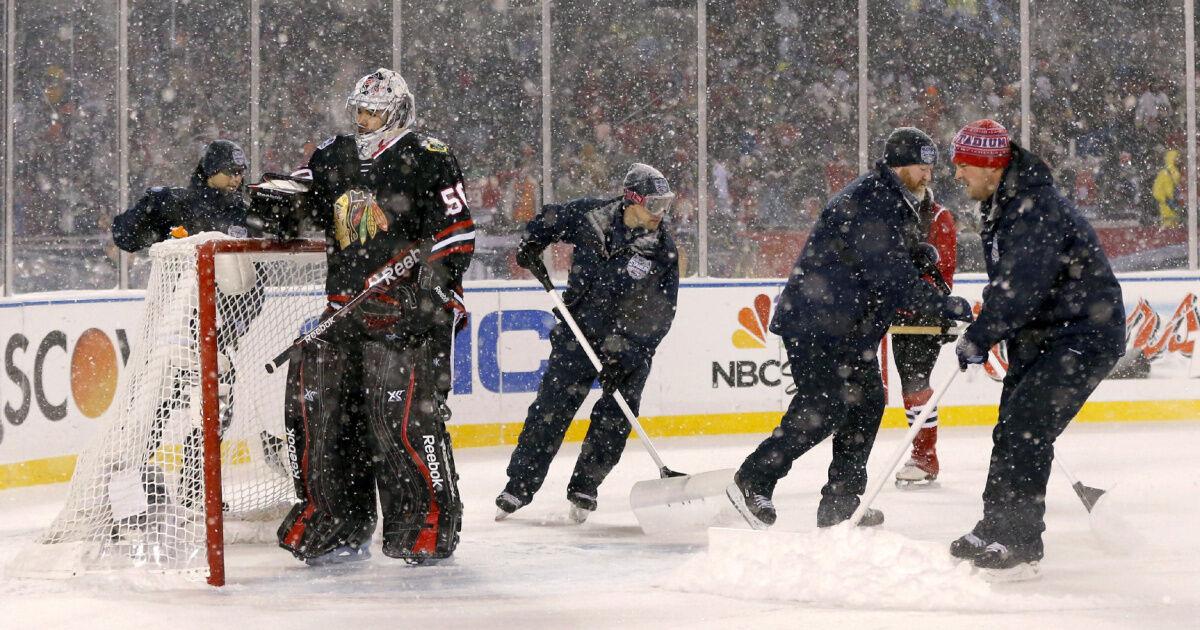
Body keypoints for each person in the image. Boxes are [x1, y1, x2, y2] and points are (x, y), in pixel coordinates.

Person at [255, 68, 474, 565]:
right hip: (347, 310)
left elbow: (457, 232)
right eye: (359, 109)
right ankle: (335, 518)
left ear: (397, 112)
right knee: (327, 418)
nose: (363, 119)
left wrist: (431, 293)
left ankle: (427, 521)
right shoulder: (334, 154)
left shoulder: (429, 157)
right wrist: (275, 201)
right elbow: (303, 198)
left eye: (372, 111)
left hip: (411, 314)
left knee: (402, 423)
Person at [726, 127, 975, 530]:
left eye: (931, 167)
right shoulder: (873, 200)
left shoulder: (895, 199)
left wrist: (919, 256)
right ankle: (752, 479)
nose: (929, 175)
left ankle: (841, 501)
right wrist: (940, 304)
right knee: (822, 409)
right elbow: (887, 276)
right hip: (819, 321)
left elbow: (885, 260)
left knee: (866, 402)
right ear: (899, 165)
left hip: (849, 325)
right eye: (922, 167)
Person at [948, 119, 1124, 577]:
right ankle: (996, 526)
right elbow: (1015, 290)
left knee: (1027, 428)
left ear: (991, 166)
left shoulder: (1034, 208)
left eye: (964, 165)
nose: (957, 175)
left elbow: (1021, 286)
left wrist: (982, 335)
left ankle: (1022, 545)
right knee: (1011, 429)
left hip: (1082, 334)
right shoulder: (1004, 203)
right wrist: (993, 329)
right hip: (1041, 334)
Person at [494, 163, 679, 524]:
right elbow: (550, 219)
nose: (662, 214)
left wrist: (625, 353)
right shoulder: (590, 216)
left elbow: (660, 314)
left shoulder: (660, 250)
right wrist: (533, 241)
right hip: (579, 332)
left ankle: (585, 486)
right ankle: (519, 486)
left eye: (666, 205)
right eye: (655, 204)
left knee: (614, 419)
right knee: (550, 410)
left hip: (629, 347)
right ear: (633, 200)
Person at [111, 139, 266, 510]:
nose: (238, 178)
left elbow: (254, 283)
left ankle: (198, 486)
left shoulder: (245, 215)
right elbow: (125, 236)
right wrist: (147, 212)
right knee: (154, 408)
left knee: (216, 411)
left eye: (242, 171)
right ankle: (129, 486)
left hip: (217, 337)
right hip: (173, 334)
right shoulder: (176, 203)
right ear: (210, 172)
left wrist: (230, 329)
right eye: (231, 171)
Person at [892, 185, 957, 487]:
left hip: (925, 314)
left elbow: (942, 269)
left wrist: (926, 300)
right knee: (909, 386)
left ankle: (925, 456)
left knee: (916, 383)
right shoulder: (895, 213)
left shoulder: (939, 217)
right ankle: (922, 454)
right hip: (898, 312)